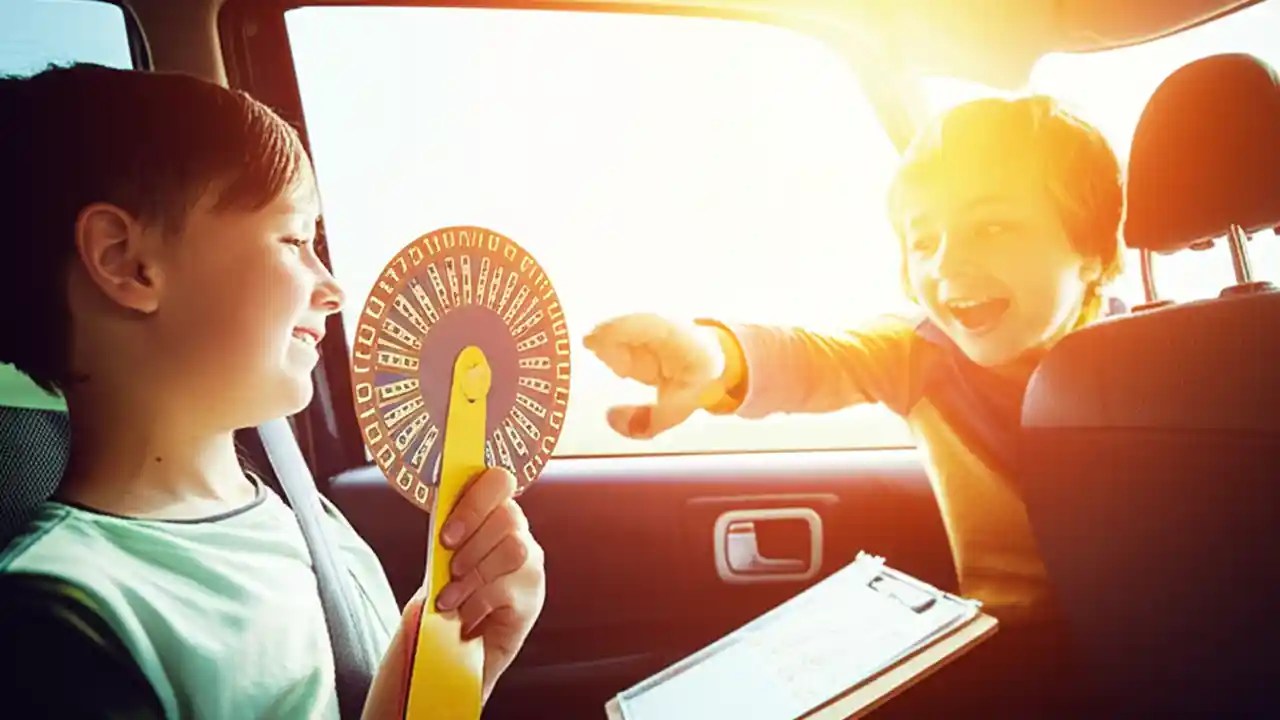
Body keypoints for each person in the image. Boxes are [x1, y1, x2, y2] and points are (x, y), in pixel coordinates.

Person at [0, 63, 545, 718]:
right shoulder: (60, 625)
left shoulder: (311, 524)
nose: (334, 288)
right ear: (125, 260)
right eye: (293, 239)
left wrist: (456, 668)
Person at [585, 95, 1124, 715]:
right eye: (923, 241)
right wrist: (716, 356)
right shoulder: (920, 354)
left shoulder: (1167, 369)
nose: (947, 261)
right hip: (1004, 669)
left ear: (1093, 254)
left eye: (993, 225)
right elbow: (817, 357)